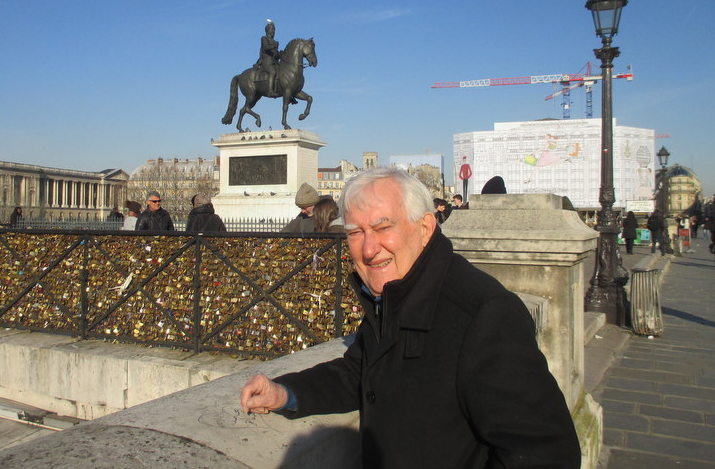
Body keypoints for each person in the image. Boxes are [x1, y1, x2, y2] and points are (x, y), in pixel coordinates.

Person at [241, 168, 581, 469]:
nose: (368, 248)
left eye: (382, 227)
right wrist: (285, 392)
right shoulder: (397, 293)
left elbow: (547, 455)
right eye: (356, 232)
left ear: (425, 228)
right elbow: (359, 372)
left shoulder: (485, 316)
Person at [255, 19, 281, 97]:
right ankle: (270, 91)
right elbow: (266, 47)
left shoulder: (274, 41)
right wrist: (274, 45)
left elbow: (275, 53)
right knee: (272, 72)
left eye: (274, 30)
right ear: (267, 30)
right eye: (271, 29)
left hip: (274, 62)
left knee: (284, 72)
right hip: (266, 60)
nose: (273, 31)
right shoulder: (264, 38)